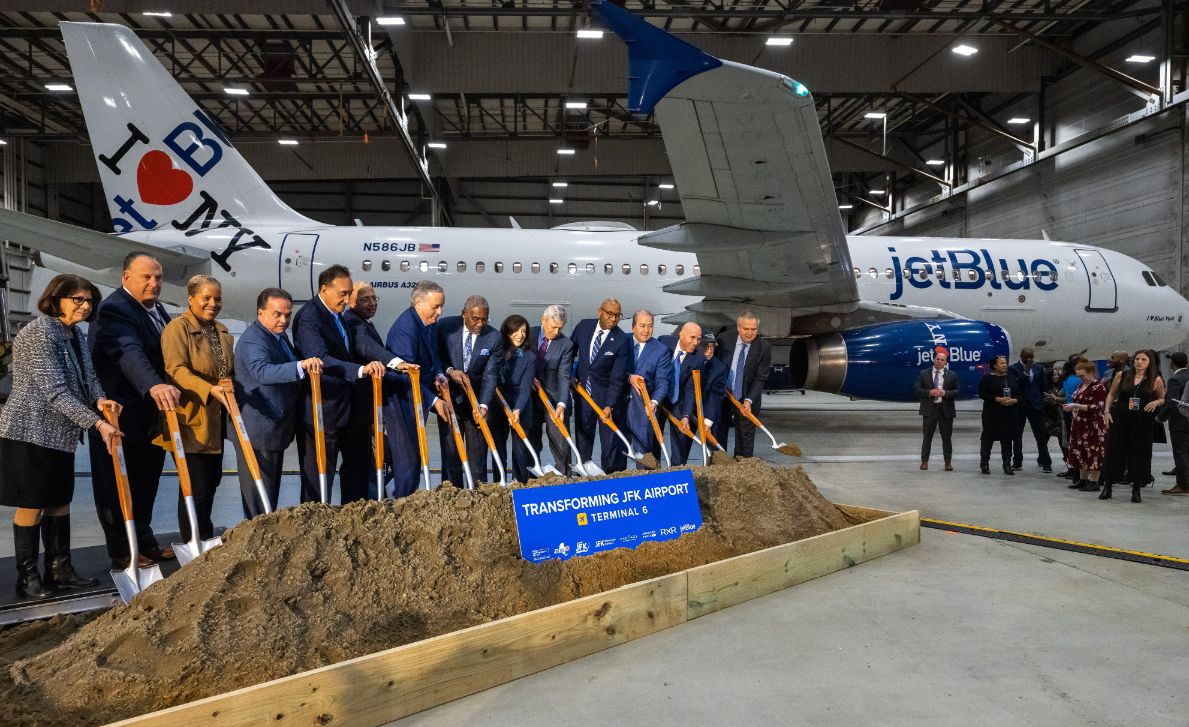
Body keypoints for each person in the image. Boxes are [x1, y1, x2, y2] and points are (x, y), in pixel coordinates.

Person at [0, 275, 118, 598]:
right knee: (32, 503)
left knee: (59, 501)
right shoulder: (39, 333)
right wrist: (97, 423)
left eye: (89, 300)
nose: (84, 305)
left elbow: (89, 378)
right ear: (56, 299)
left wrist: (100, 400)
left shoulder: (75, 334)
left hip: (60, 434)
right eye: (77, 299)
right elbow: (55, 392)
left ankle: (59, 570)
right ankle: (27, 578)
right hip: (29, 431)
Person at [88, 252, 179, 568]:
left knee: (145, 480)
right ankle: (122, 552)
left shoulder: (155, 309)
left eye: (158, 277)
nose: (154, 283)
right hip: (117, 415)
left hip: (149, 415)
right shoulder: (114, 310)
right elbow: (129, 352)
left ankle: (145, 542)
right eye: (146, 277)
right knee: (117, 485)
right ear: (126, 277)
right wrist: (153, 385)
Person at [292, 265, 386, 504]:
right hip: (322, 407)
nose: (347, 299)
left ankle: (352, 516)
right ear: (324, 289)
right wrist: (360, 370)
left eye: (349, 293)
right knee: (320, 473)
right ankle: (313, 524)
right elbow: (319, 357)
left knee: (356, 466)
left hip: (347, 408)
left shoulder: (338, 315)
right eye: (343, 293)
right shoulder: (310, 317)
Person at [153, 275, 235, 543]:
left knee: (211, 483)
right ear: (191, 299)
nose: (213, 303)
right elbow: (175, 370)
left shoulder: (222, 331)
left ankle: (206, 539)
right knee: (195, 487)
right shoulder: (177, 329)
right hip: (190, 419)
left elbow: (226, 371)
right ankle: (194, 544)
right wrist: (208, 389)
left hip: (216, 419)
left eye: (218, 299)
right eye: (206, 298)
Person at [232, 288, 322, 517]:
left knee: (269, 492)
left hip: (275, 427)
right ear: (260, 313)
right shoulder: (253, 340)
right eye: (277, 314)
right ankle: (255, 543)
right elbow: (263, 372)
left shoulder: (277, 336)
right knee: (258, 496)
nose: (284, 320)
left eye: (288, 315)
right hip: (259, 428)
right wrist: (300, 366)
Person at [384, 281, 449, 497]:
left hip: (417, 395)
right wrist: (433, 401)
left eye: (441, 306)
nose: (439, 312)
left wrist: (439, 373)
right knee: (408, 458)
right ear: (419, 303)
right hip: (401, 400)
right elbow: (406, 377)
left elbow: (433, 352)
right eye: (435, 307)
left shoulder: (425, 322)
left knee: (414, 455)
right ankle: (401, 504)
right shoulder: (406, 330)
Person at [340, 283, 399, 500]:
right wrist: (397, 363)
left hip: (365, 409)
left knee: (366, 460)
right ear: (351, 301)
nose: (372, 303)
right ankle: (355, 506)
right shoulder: (353, 323)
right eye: (365, 299)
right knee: (357, 462)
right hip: (356, 409)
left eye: (374, 298)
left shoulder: (364, 322)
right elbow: (367, 348)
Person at [436, 295, 501, 485]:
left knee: (478, 456)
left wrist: (483, 406)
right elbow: (436, 357)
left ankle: (478, 495)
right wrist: (449, 371)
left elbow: (491, 375)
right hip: (449, 401)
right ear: (464, 314)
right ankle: (452, 496)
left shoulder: (493, 337)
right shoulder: (446, 328)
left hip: (476, 402)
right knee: (451, 453)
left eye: (484, 319)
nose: (480, 324)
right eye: (475, 319)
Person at [571, 298, 631, 473]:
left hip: (605, 399)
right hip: (583, 394)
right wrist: (570, 376)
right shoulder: (584, 327)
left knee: (609, 442)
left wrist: (609, 404)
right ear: (600, 311)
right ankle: (583, 471)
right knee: (583, 436)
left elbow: (617, 377)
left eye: (617, 315)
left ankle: (610, 476)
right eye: (609, 314)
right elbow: (569, 352)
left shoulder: (620, 340)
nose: (613, 319)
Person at [1102, 349, 1165, 502]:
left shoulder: (1155, 379)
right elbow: (1111, 394)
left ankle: (1136, 488)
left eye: (1144, 359)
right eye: (1137, 359)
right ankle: (1108, 485)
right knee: (1114, 451)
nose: (1140, 362)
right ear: (1133, 360)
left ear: (1150, 362)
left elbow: (1162, 398)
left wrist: (1157, 402)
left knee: (1139, 454)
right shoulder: (1121, 375)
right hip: (1121, 418)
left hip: (1142, 421)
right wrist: (1106, 411)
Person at [713, 311, 772, 458]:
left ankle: (742, 473)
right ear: (739, 327)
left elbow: (761, 378)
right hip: (723, 396)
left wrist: (749, 399)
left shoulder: (764, 347)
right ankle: (717, 471)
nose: (750, 333)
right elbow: (715, 366)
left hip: (747, 400)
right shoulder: (724, 339)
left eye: (753, 329)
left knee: (745, 446)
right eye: (746, 329)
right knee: (717, 440)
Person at [527, 305, 576, 475]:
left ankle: (564, 480)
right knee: (531, 443)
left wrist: (562, 403)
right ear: (543, 320)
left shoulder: (566, 344)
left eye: (560, 328)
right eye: (553, 327)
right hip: (530, 400)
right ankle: (531, 481)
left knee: (560, 445)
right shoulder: (527, 334)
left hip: (554, 400)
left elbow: (564, 375)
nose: (556, 332)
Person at [489, 315, 536, 483]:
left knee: (520, 453)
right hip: (498, 407)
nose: (520, 334)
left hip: (520, 408)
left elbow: (525, 389)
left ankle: (519, 485)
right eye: (516, 330)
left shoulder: (529, 357)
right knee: (498, 450)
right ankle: (499, 485)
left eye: (524, 331)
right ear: (507, 331)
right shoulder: (496, 352)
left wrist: (517, 410)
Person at [624, 310, 672, 468]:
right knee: (614, 449)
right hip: (617, 404)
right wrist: (629, 377)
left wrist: (654, 401)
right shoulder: (621, 342)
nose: (646, 330)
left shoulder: (661, 350)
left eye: (650, 326)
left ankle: (645, 483)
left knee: (644, 454)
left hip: (643, 408)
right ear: (633, 327)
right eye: (642, 326)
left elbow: (663, 381)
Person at [657, 322, 703, 466]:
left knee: (680, 437)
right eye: (692, 337)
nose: (696, 343)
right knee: (654, 436)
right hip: (657, 399)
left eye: (699, 339)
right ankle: (652, 471)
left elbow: (691, 389)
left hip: (677, 400)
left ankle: (677, 471)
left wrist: (686, 415)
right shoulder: (663, 342)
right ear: (681, 334)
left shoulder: (698, 358)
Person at [1062, 359, 1109, 493]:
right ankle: (1082, 479)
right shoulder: (1080, 386)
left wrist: (1076, 406)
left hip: (1093, 425)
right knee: (1081, 450)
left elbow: (1097, 406)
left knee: (1094, 452)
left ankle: (1094, 482)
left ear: (1091, 372)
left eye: (1083, 375)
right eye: (1079, 376)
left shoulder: (1098, 387)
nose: (1081, 378)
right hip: (1079, 424)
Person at [1007, 347, 1052, 472]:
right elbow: (1013, 385)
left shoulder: (1038, 368)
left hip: (1036, 405)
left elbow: (1043, 386)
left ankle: (1045, 461)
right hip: (1019, 406)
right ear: (1020, 356)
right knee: (1017, 436)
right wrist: (1025, 371)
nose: (1029, 359)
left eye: (1031, 357)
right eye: (1026, 357)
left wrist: (1042, 400)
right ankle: (1017, 462)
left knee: (1041, 436)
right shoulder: (1013, 369)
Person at [915, 350, 958, 471]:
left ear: (945, 362)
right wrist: (929, 392)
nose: (939, 361)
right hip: (930, 409)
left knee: (947, 438)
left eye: (942, 360)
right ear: (934, 360)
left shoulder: (952, 375)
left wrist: (946, 393)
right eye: (937, 359)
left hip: (945, 410)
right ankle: (924, 461)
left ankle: (947, 462)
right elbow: (917, 389)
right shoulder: (924, 374)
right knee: (927, 437)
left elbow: (957, 391)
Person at [979, 355, 1017, 476]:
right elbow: (982, 394)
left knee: (1007, 440)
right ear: (995, 365)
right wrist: (997, 399)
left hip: (1007, 414)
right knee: (988, 439)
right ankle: (984, 463)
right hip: (991, 414)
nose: (1005, 365)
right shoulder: (987, 378)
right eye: (1001, 363)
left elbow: (1018, 394)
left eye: (1005, 363)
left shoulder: (1011, 378)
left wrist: (1014, 401)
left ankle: (1007, 464)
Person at [692, 333, 728, 461]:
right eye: (705, 347)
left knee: (714, 444)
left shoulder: (719, 368)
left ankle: (716, 467)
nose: (709, 351)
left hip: (708, 408)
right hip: (687, 409)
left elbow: (715, 395)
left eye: (712, 347)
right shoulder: (690, 360)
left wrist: (708, 421)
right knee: (681, 446)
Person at [1161, 351, 1189, 496]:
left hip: (1179, 422)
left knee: (1180, 453)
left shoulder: (1175, 379)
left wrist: (1160, 417)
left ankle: (1183, 485)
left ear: (1171, 363)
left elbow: (1172, 403)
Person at [1044, 366, 1069, 476]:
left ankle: (1068, 462)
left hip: (1058, 418)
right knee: (1043, 442)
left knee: (1063, 442)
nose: (1056, 377)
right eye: (1054, 375)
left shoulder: (1061, 386)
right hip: (1048, 418)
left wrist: (1056, 400)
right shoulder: (1045, 388)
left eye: (1057, 374)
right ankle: (1045, 463)